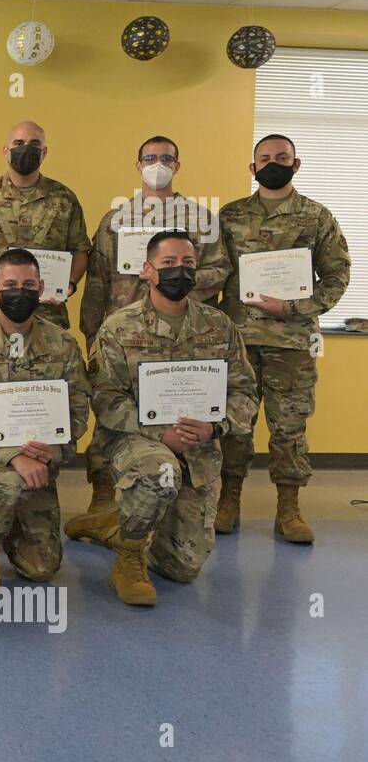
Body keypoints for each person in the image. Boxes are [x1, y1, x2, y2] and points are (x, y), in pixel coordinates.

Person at [69, 135, 229, 543]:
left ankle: (164, 498)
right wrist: (91, 332)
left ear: (178, 165)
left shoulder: (201, 219)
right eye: (151, 157)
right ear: (138, 164)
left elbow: (219, 271)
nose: (159, 163)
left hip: (181, 336)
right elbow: (99, 280)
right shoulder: (115, 220)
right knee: (114, 413)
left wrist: (176, 282)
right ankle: (104, 493)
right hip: (123, 336)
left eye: (167, 158)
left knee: (172, 409)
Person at [87, 231, 257, 606]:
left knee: (183, 568)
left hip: (200, 443)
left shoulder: (219, 326)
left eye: (187, 264)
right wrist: (159, 432)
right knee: (160, 473)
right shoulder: (118, 327)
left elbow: (245, 392)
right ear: (147, 270)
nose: (178, 272)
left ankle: (112, 523)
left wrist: (216, 426)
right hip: (138, 441)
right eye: (168, 264)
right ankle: (129, 557)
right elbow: (104, 397)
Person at [215, 134, 352, 542]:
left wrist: (294, 308)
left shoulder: (316, 216)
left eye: (282, 157)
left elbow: (337, 275)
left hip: (291, 342)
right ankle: (228, 500)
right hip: (237, 341)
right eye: (265, 158)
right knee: (235, 425)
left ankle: (289, 509)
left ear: (297, 163)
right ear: (252, 167)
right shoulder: (230, 215)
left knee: (289, 428)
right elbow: (213, 274)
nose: (273, 162)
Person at [0, 248, 90, 592]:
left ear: (40, 289)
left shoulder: (63, 344)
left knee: (41, 568)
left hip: (40, 456)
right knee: (7, 481)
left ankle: (11, 522)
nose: (18, 292)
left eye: (27, 284)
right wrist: (12, 455)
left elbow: (78, 409)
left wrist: (52, 449)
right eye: (10, 284)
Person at [0, 120, 88, 328]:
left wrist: (69, 284)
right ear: (6, 151)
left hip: (46, 314)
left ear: (44, 152)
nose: (26, 149)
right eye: (18, 143)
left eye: (34, 144)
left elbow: (80, 250)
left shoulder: (64, 199)